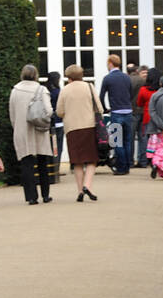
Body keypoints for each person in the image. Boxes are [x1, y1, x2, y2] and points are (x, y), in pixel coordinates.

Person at [55, 64, 103, 202]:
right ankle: (87, 185)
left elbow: (59, 111)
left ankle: (80, 191)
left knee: (77, 161)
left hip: (72, 129)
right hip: (89, 126)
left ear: (68, 77)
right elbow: (99, 107)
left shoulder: (64, 90)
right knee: (92, 160)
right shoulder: (89, 87)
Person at [9, 64, 53, 205]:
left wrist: (16, 126)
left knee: (26, 163)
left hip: (22, 129)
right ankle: (45, 195)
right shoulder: (42, 89)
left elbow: (12, 113)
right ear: (36, 75)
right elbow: (49, 110)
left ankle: (31, 197)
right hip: (39, 129)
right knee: (42, 162)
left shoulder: (15, 90)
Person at [99, 53, 132, 175]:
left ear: (110, 63)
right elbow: (131, 93)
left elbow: (101, 96)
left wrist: (105, 109)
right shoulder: (127, 77)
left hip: (116, 113)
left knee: (117, 141)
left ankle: (121, 168)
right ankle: (128, 165)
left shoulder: (107, 78)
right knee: (128, 141)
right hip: (128, 112)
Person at [134, 66, 160, 168]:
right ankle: (157, 160)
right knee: (159, 140)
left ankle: (145, 160)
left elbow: (139, 103)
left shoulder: (143, 90)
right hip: (159, 117)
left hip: (147, 117)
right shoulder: (161, 90)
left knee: (145, 139)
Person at [129, 64, 147, 167]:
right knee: (142, 137)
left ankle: (130, 161)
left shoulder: (129, 80)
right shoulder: (144, 82)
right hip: (143, 111)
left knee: (130, 137)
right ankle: (143, 161)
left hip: (132, 111)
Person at [47, 71, 64, 172]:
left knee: (50, 147)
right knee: (58, 146)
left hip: (49, 123)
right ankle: (56, 167)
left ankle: (51, 167)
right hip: (59, 122)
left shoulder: (46, 90)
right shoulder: (58, 91)